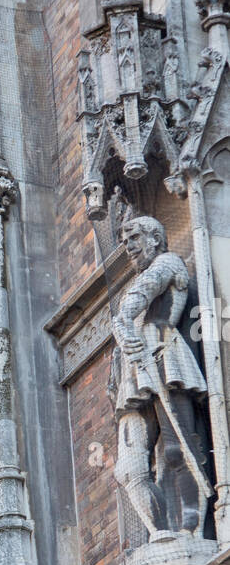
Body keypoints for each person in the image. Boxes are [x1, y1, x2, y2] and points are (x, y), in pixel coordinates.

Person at [109, 215, 210, 540]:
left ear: (154, 237)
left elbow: (144, 291)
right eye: (125, 242)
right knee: (130, 467)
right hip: (135, 367)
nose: (129, 247)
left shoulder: (168, 262)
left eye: (134, 238)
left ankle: (193, 527)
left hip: (165, 354)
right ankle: (160, 532)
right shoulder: (139, 282)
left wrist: (124, 319)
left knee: (178, 446)